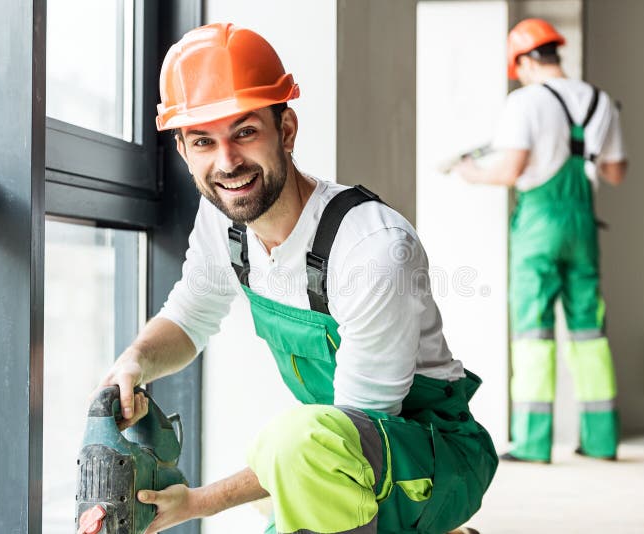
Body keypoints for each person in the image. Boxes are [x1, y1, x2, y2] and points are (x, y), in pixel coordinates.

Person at [99, 22, 497, 534]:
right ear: (184, 152)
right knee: (288, 463)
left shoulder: (372, 249)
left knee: (292, 453)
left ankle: (432, 521)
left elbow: (349, 429)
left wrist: (200, 502)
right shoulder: (223, 219)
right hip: (348, 453)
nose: (227, 162)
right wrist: (134, 363)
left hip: (436, 457)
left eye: (245, 131)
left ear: (285, 129)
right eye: (203, 141)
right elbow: (189, 316)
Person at [451, 18, 627, 464]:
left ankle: (533, 443)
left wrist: (470, 173)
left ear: (527, 60)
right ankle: (602, 440)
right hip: (583, 223)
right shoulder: (601, 100)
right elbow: (615, 172)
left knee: (534, 332)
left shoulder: (525, 101)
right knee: (590, 331)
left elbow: (510, 171)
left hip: (540, 225)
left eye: (519, 67)